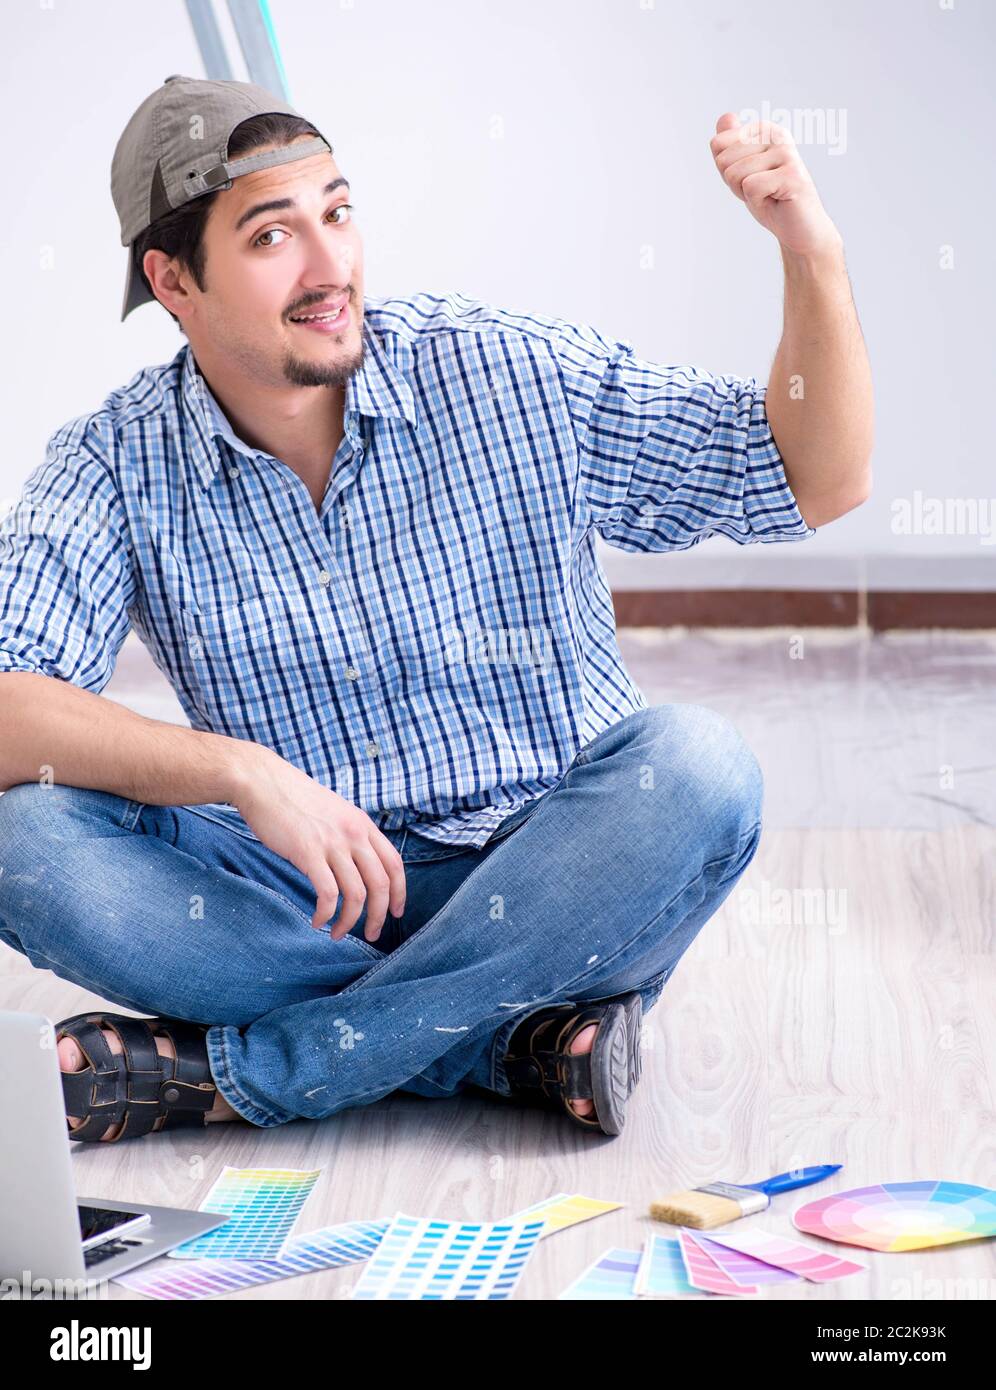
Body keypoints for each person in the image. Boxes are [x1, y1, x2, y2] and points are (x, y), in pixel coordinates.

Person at [0, 76, 872, 1141]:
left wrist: (809, 252)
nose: (332, 268)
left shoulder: (498, 368)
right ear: (173, 280)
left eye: (338, 212)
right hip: (302, 896)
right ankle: (501, 1038)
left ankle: (266, 1067)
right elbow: (9, 700)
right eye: (274, 236)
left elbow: (812, 474)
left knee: (697, 771)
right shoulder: (115, 459)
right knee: (23, 837)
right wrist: (240, 770)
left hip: (552, 865)